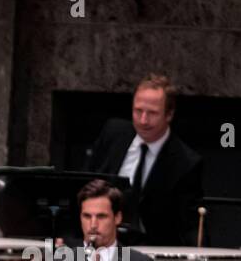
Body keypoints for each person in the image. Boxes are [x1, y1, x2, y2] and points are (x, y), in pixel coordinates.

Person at [86, 73, 203, 245]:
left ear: (169, 115)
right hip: (99, 242)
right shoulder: (113, 133)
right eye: (138, 111)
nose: (143, 120)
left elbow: (188, 225)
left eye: (152, 113)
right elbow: (84, 184)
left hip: (150, 251)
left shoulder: (186, 162)